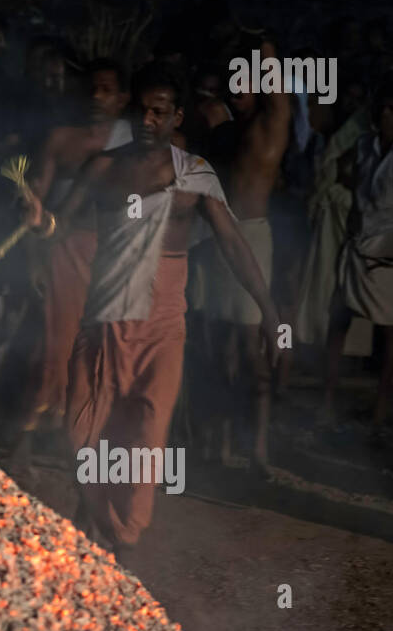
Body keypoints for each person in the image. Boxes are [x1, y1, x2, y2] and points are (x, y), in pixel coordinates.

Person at [32, 61, 278, 551]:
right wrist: (38, 220)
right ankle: (91, 508)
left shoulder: (195, 176)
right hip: (103, 321)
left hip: (162, 329)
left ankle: (121, 546)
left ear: (177, 117)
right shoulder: (103, 167)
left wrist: (269, 310)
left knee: (144, 438)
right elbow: (59, 223)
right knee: (80, 432)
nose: (147, 121)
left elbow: (231, 242)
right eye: (140, 110)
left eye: (158, 112)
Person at [13, 59, 132, 466]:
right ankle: (26, 437)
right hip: (62, 251)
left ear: (123, 98)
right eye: (92, 89)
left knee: (105, 346)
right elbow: (36, 204)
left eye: (107, 89)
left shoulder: (133, 145)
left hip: (116, 255)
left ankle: (83, 437)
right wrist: (33, 259)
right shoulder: (61, 139)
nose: (98, 98)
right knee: (54, 343)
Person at [321, 81, 393, 429]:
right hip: (358, 241)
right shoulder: (364, 145)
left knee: (387, 326)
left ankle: (381, 404)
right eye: (382, 108)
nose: (385, 114)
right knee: (338, 317)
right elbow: (356, 182)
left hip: (390, 245)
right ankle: (327, 399)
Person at [202, 37, 291, 469]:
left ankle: (257, 448)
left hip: (253, 236)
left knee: (252, 345)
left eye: (246, 78)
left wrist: (262, 43)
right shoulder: (223, 131)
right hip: (220, 238)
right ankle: (219, 444)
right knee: (222, 346)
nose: (238, 87)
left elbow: (275, 82)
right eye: (231, 79)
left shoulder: (271, 124)